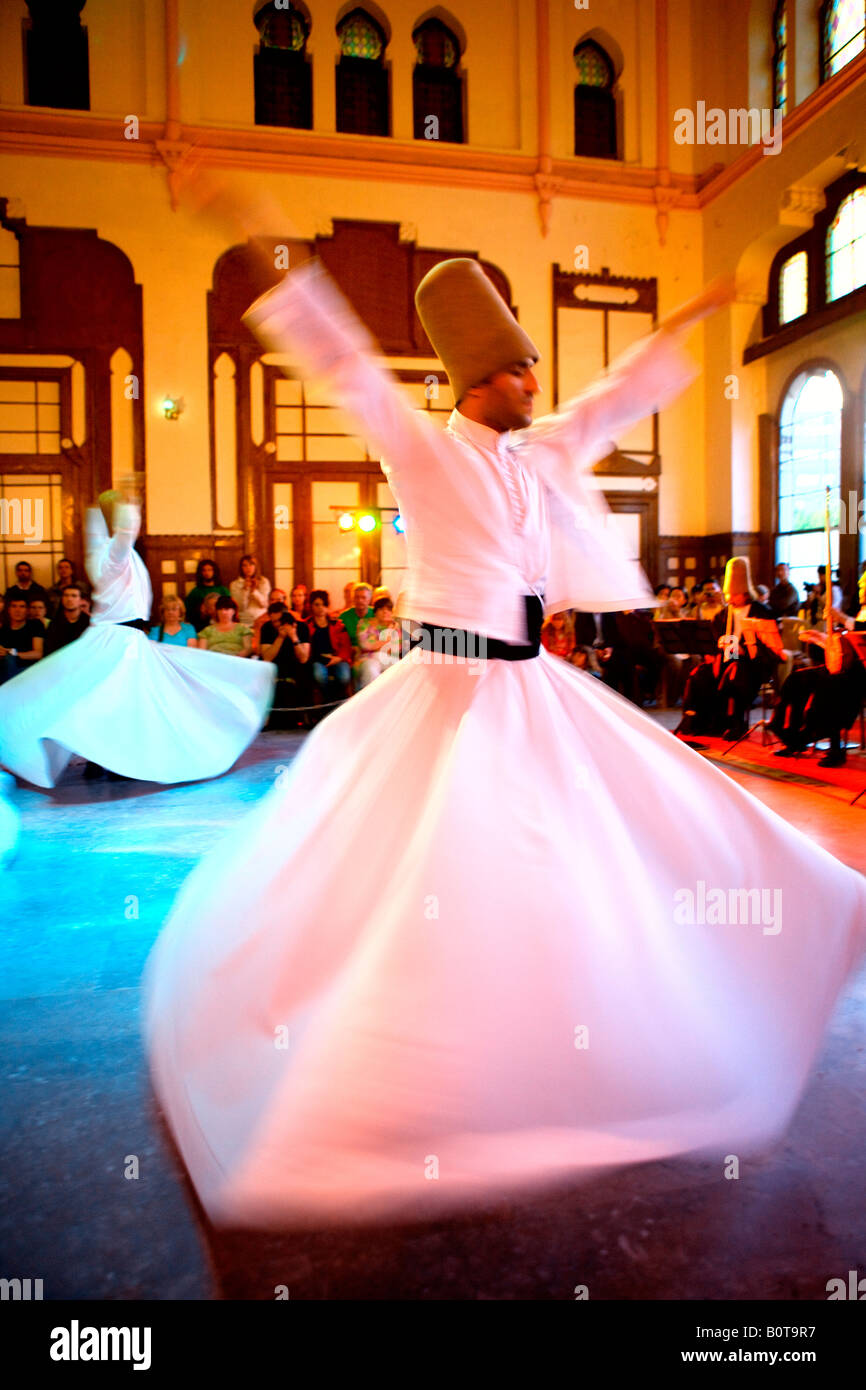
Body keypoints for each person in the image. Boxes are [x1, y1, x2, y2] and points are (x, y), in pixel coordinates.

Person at [144, 256, 866, 1231]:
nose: (537, 384)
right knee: (422, 884)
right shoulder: (424, 450)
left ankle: (579, 1039)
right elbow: (349, 366)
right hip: (444, 693)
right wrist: (262, 246)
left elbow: (611, 403)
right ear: (479, 377)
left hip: (531, 689)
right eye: (521, 370)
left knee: (650, 828)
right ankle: (394, 1082)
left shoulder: (536, 454)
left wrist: (689, 315)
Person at [0, 485, 274, 787]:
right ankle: (107, 759)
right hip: (118, 639)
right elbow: (125, 532)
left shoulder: (105, 552)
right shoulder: (113, 555)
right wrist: (130, 503)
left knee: (110, 697)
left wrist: (102, 511)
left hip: (118, 637)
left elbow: (102, 532)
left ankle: (104, 758)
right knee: (116, 698)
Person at [677, 557, 782, 739]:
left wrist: (743, 649)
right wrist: (716, 650)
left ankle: (736, 721)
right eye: (729, 595)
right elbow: (714, 641)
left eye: (735, 594)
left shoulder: (761, 611)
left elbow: (769, 644)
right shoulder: (723, 615)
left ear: (745, 592)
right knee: (699, 675)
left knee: (736, 672)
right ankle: (697, 719)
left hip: (753, 662)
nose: (730, 599)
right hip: (727, 658)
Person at [260, 600, 312, 721]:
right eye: (273, 622)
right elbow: (267, 658)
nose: (276, 625)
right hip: (275, 664)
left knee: (306, 669)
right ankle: (267, 718)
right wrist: (280, 637)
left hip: (296, 663)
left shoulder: (302, 627)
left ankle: (306, 715)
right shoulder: (267, 628)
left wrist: (293, 636)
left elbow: (304, 658)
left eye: (279, 621)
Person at [307, 589, 352, 703]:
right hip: (316, 660)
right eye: (317, 604)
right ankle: (326, 701)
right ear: (311, 605)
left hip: (337, 658)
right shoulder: (306, 625)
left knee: (344, 676)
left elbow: (346, 646)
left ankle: (338, 700)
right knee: (319, 675)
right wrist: (322, 659)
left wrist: (338, 658)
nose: (320, 608)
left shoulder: (337, 624)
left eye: (324, 604)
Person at [355, 595, 402, 688]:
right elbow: (365, 645)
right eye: (381, 609)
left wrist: (378, 645)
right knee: (371, 670)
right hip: (367, 659)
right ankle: (371, 698)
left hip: (388, 659)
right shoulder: (364, 623)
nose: (385, 612)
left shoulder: (394, 626)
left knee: (402, 669)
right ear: (375, 611)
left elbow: (396, 650)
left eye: (388, 609)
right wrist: (387, 640)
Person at [0, 596, 44, 684]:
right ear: (8, 610)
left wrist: (13, 653)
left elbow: (38, 653)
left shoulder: (35, 624)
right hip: (6, 669)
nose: (17, 610)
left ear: (27, 611)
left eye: (22, 607)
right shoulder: (3, 629)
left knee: (9, 659)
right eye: (14, 606)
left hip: (28, 669)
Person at [43, 585, 90, 655]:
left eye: (74, 596)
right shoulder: (55, 623)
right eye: (66, 595)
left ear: (81, 600)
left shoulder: (89, 622)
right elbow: (49, 650)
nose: (69, 599)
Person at [184, 560, 230, 631]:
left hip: (222, 626)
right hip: (202, 627)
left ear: (214, 572)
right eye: (204, 570)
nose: (207, 573)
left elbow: (230, 609)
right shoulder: (195, 592)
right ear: (200, 573)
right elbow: (188, 612)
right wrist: (200, 611)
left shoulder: (223, 590)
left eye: (210, 570)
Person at [230, 555, 271, 626]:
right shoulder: (235, 584)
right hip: (244, 620)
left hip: (261, 619)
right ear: (241, 568)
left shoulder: (264, 581)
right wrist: (245, 590)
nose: (248, 568)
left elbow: (264, 605)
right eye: (244, 565)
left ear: (256, 566)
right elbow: (240, 607)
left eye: (251, 564)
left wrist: (254, 591)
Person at [338, 582, 374, 650]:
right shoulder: (344, 617)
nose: (360, 600)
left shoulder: (376, 614)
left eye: (363, 597)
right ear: (353, 599)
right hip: (349, 653)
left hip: (372, 652)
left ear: (369, 599)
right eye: (357, 597)